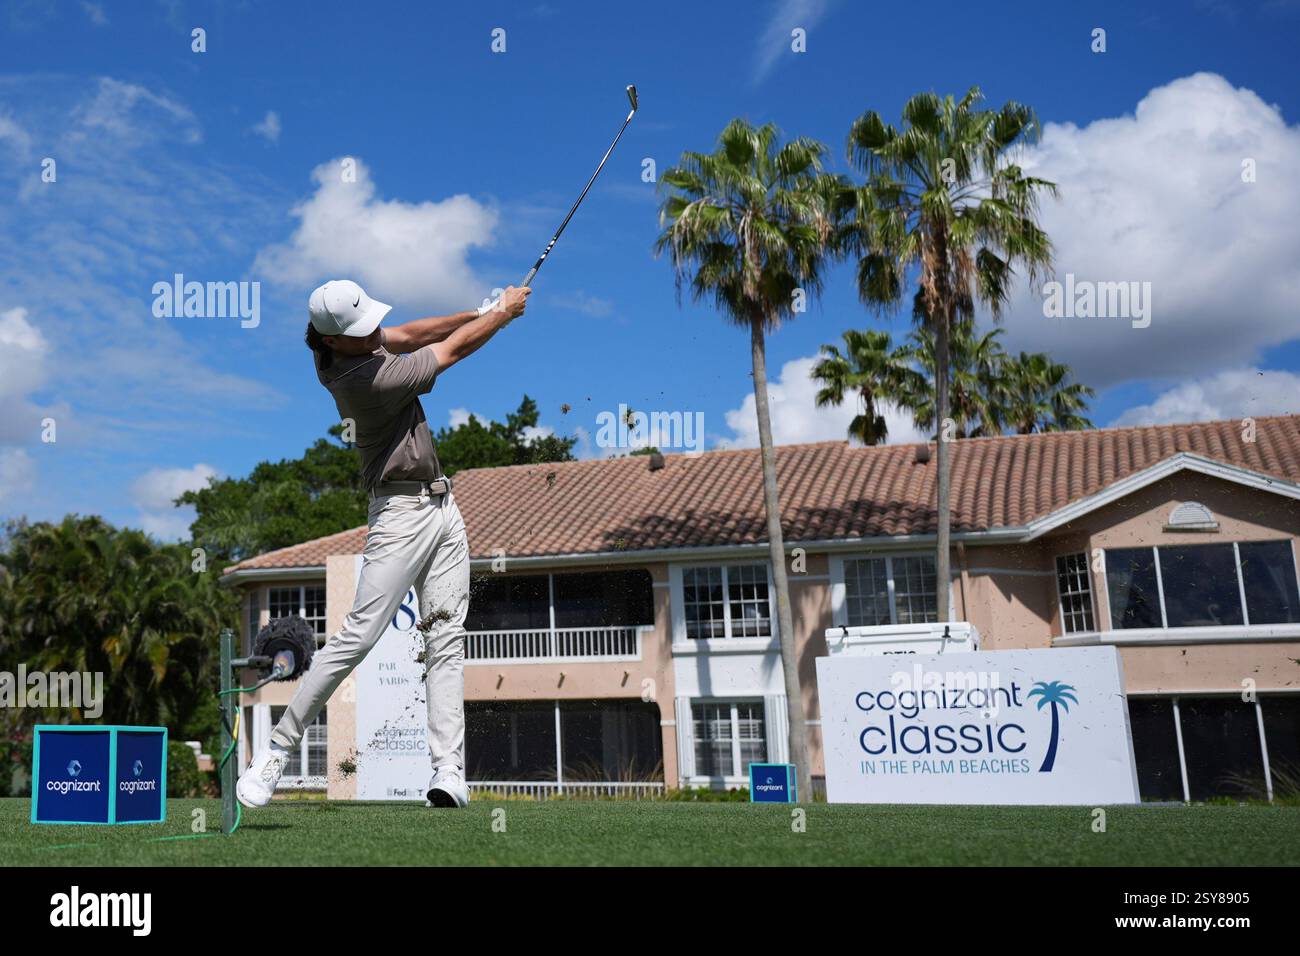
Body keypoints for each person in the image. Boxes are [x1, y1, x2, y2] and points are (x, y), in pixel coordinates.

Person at [236, 279, 530, 809]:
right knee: (357, 637)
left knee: (445, 636)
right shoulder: (364, 378)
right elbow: (450, 349)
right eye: (362, 329)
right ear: (333, 342)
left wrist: (479, 308)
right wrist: (503, 314)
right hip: (398, 514)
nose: (375, 331)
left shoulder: (357, 345)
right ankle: (274, 754)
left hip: (444, 507)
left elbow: (414, 330)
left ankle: (448, 772)